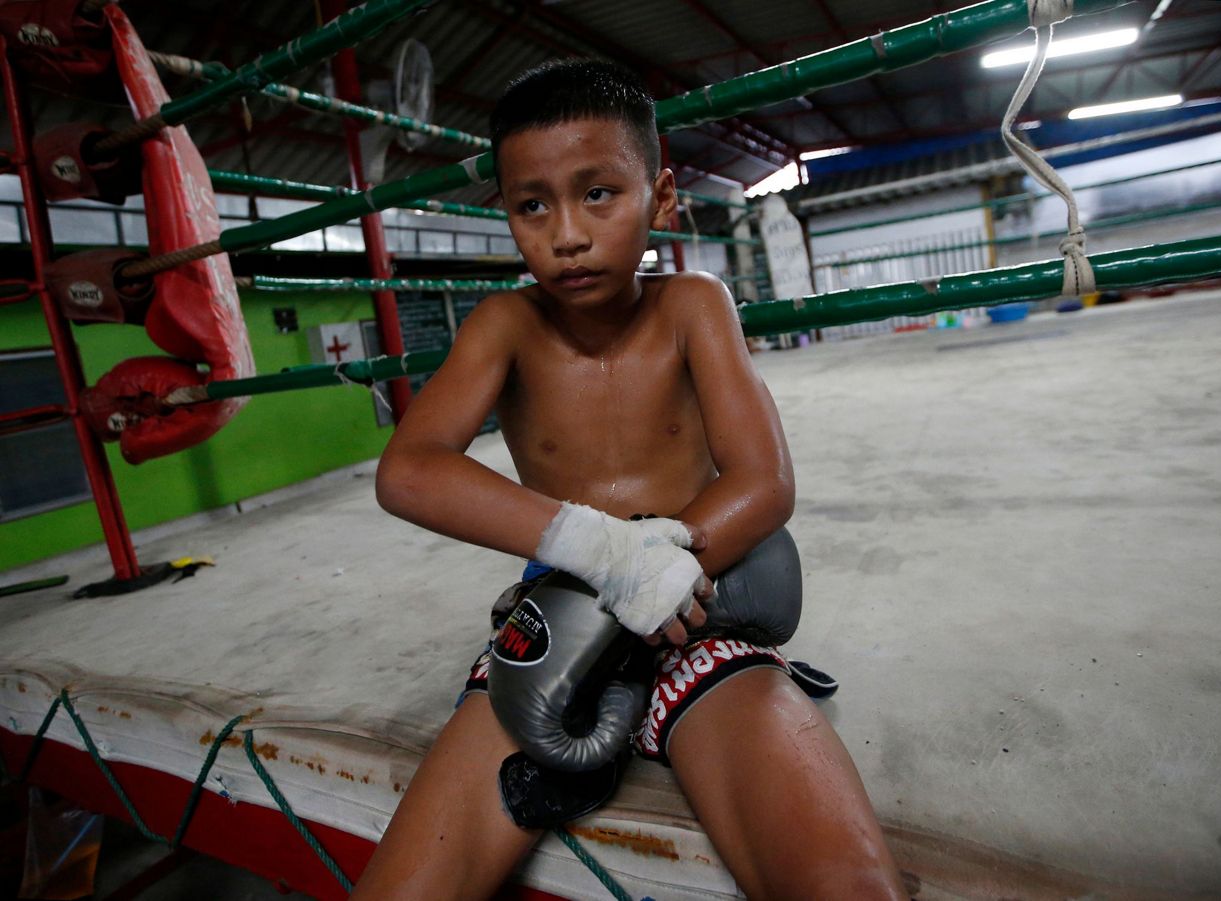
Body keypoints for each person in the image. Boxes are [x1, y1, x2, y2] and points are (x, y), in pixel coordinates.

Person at [355, 58, 907, 900]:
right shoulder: (504, 324)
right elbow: (409, 471)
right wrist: (602, 553)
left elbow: (764, 478)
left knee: (846, 887)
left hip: (698, 614)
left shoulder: (695, 303)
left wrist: (665, 558)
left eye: (599, 193)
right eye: (531, 204)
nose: (566, 233)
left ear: (663, 197)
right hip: (561, 627)